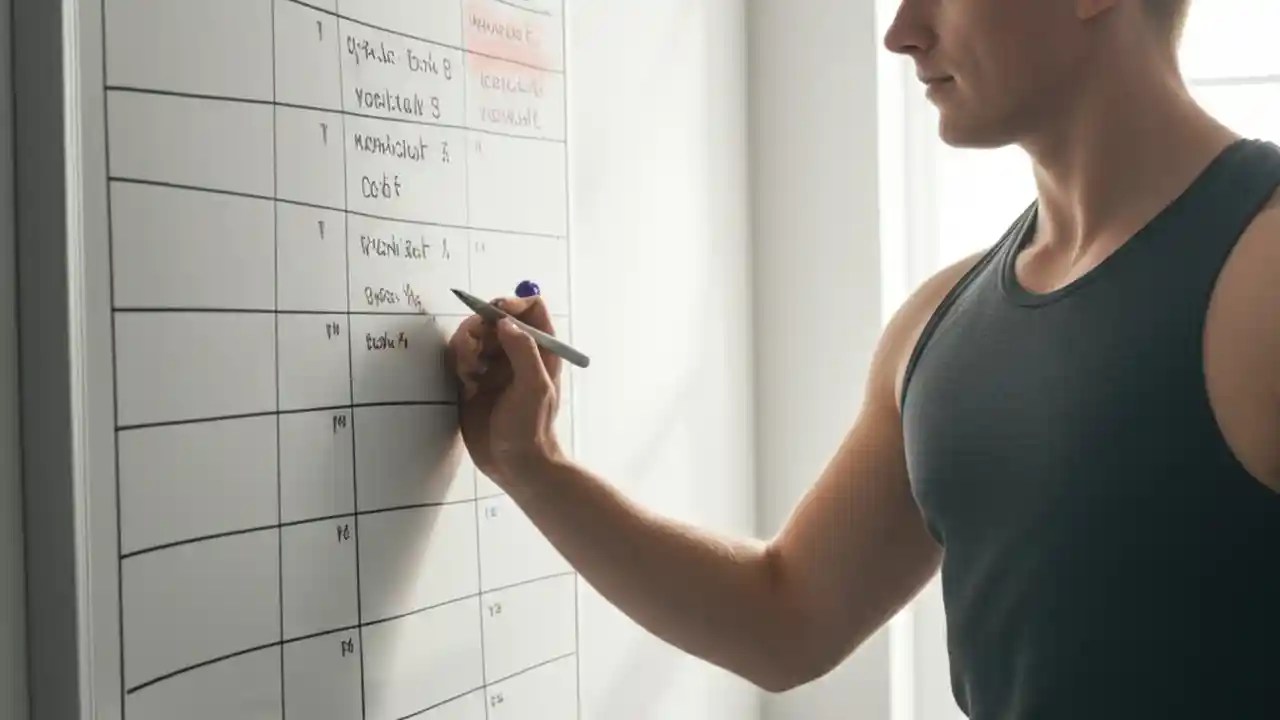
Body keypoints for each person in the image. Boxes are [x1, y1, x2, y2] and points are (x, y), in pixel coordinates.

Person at [447, 0, 1280, 717]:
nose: (902, 33)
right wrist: (535, 464)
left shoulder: (1265, 263)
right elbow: (786, 621)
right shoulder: (937, 322)